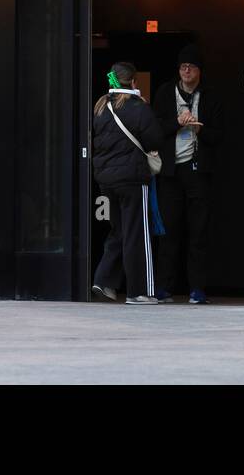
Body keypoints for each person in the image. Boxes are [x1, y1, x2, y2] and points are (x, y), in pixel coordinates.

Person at [90, 61, 165, 305]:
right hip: (132, 179)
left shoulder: (100, 107)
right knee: (137, 233)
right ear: (133, 82)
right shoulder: (137, 108)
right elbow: (155, 139)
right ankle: (139, 291)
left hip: (106, 180)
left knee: (119, 230)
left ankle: (104, 281)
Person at [153, 44, 222, 304]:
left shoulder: (211, 96)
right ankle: (164, 287)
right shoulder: (164, 93)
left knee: (198, 231)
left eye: (191, 67)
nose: (186, 71)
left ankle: (197, 288)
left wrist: (199, 130)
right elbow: (155, 129)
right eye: (183, 67)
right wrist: (177, 123)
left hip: (198, 170)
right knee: (168, 230)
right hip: (170, 172)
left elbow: (220, 136)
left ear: (199, 71)